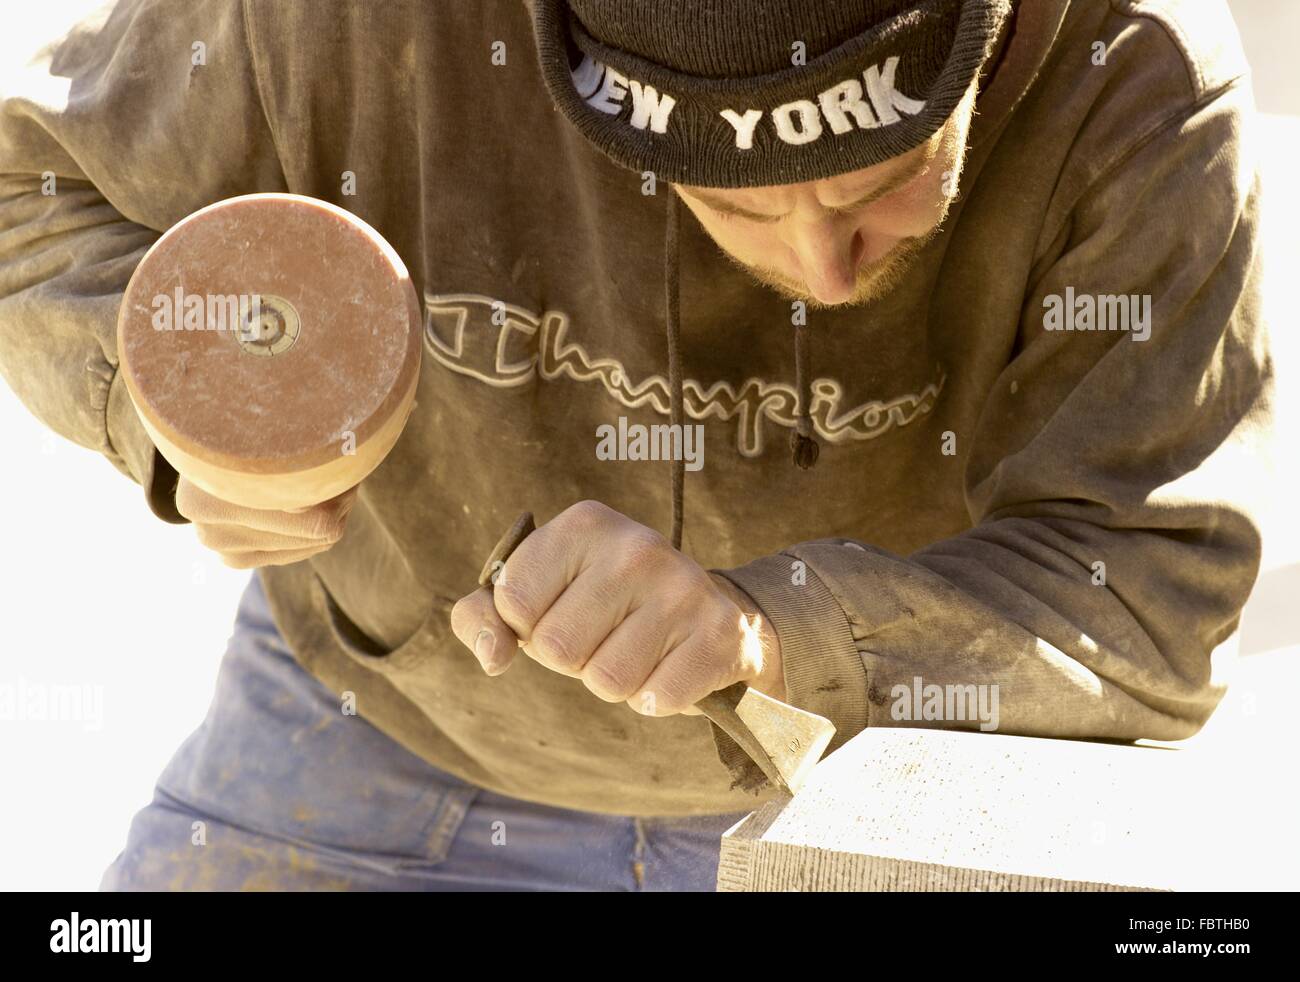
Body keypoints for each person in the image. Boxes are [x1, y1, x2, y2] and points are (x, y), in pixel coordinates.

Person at [0, 0, 1271, 891]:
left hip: (848, 789)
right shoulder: (349, 17)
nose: (815, 262)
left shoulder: (1133, 68)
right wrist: (188, 409)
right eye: (736, 201)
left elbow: (1146, 594)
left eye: (884, 181)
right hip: (372, 715)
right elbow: (28, 194)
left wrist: (782, 636)